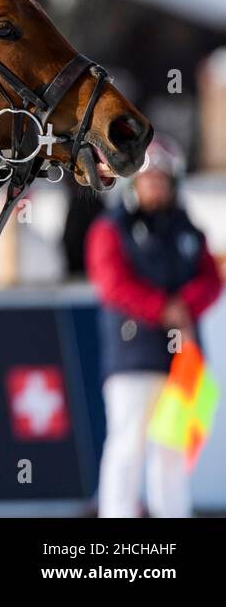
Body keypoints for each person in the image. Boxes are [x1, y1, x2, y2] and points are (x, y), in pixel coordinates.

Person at [87, 133, 222, 517]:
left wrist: (184, 307)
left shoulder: (186, 230)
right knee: (127, 445)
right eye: (148, 179)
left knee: (172, 450)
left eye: (162, 179)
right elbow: (112, 284)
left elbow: (210, 279)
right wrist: (164, 309)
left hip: (181, 361)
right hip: (133, 356)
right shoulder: (113, 229)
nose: (155, 186)